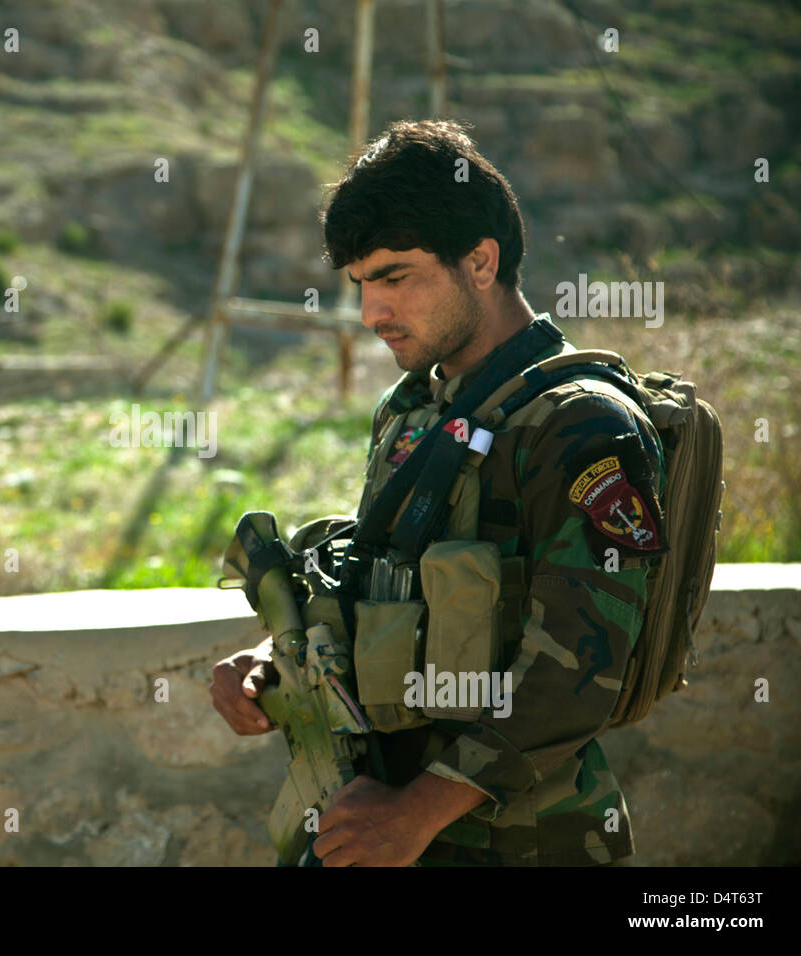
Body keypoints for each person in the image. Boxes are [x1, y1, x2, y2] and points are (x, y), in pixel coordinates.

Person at [210, 119, 667, 867]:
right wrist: (274, 661)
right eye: (361, 285)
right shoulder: (413, 410)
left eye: (396, 277)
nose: (372, 313)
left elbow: (579, 672)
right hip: (384, 824)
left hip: (523, 842)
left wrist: (415, 814)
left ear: (481, 262)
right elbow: (382, 589)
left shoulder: (580, 426)